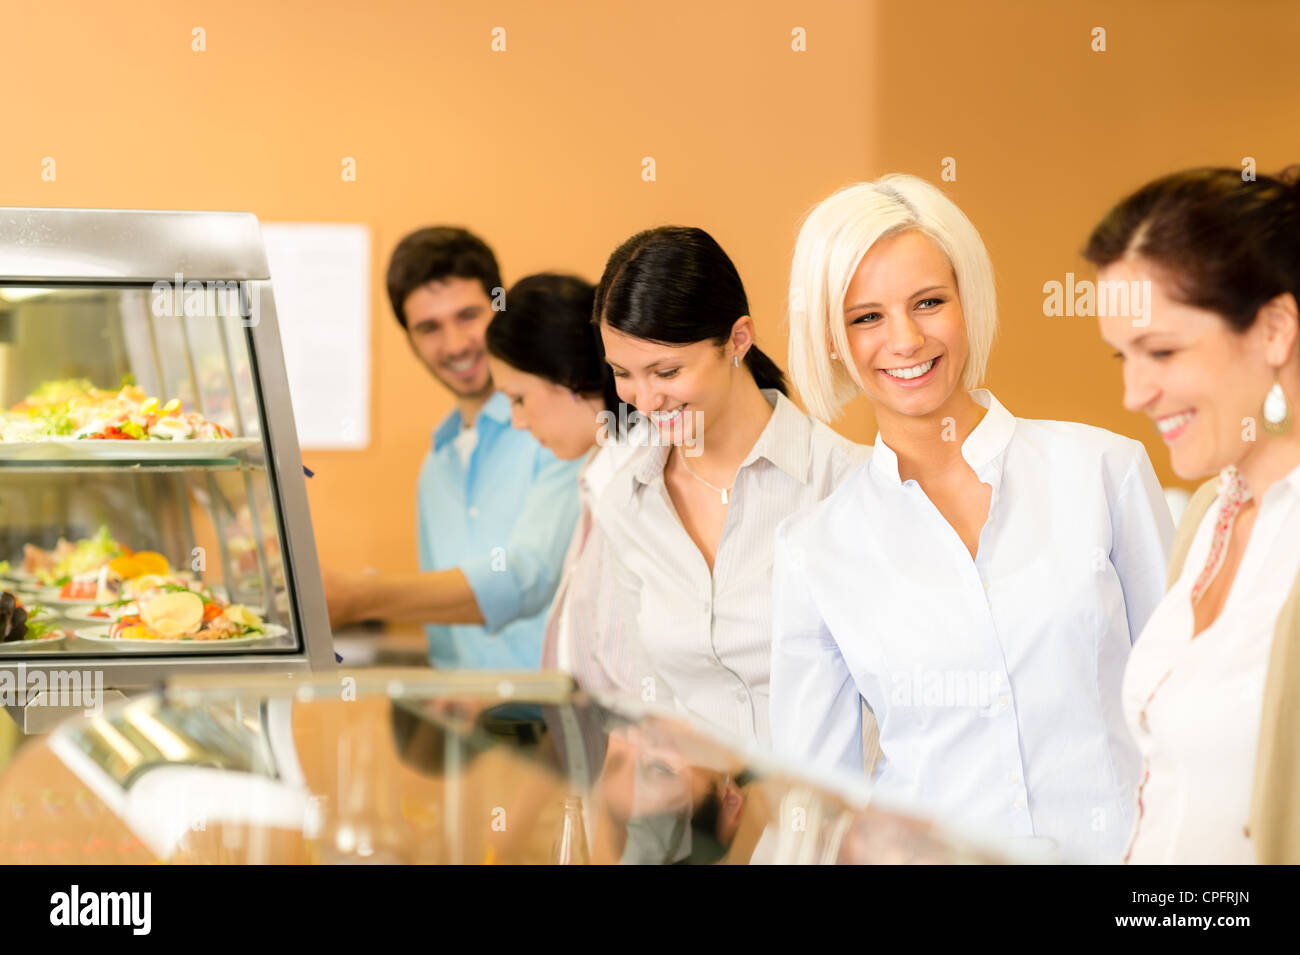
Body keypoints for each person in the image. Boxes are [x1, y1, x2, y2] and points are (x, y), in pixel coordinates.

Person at [770, 174, 1174, 863]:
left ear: (966, 301)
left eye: (929, 302)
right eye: (866, 317)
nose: (904, 339)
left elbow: (1183, 712)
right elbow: (813, 805)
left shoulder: (1103, 471)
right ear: (832, 338)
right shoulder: (815, 551)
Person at [1086, 166, 1300, 864]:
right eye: (1120, 356)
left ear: (1273, 329)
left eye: (1162, 351)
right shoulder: (1212, 512)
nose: (1132, 392)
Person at [590, 226, 867, 748]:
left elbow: (893, 705)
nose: (644, 400)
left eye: (666, 371)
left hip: (831, 821)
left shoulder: (845, 485)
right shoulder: (627, 503)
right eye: (623, 374)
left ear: (738, 340)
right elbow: (646, 699)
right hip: (705, 824)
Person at [324, 228, 582, 670]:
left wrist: (361, 597)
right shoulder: (436, 464)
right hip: (479, 722)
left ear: (500, 308)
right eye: (429, 328)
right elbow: (445, 641)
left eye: (468, 316)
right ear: (410, 340)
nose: (456, 344)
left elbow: (529, 577)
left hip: (563, 719)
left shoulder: (560, 429)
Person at [483, 271, 654, 694]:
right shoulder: (603, 471)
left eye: (519, 398)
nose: (519, 422)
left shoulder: (641, 476)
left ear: (567, 376)